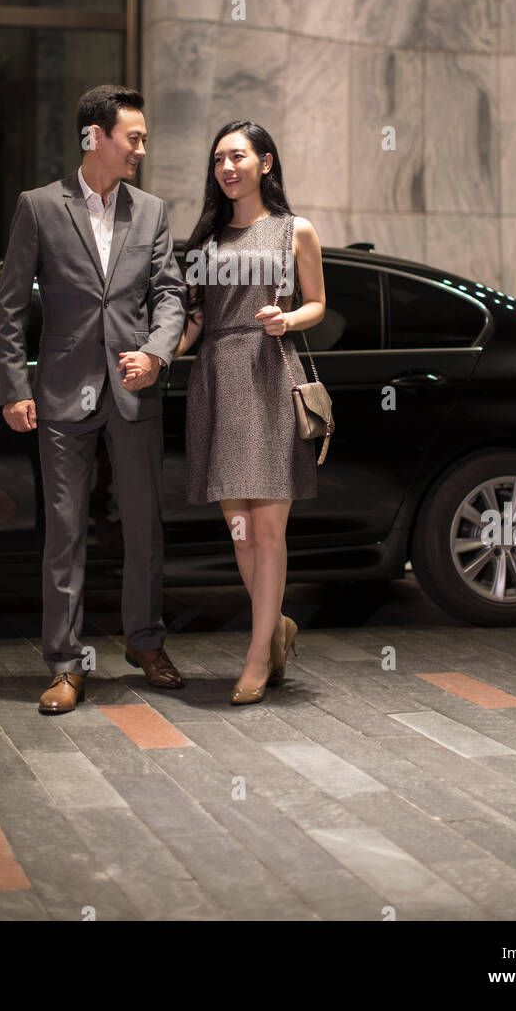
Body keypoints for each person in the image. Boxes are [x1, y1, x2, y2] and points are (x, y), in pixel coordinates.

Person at [0, 85, 187, 715]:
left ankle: (146, 642)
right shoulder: (39, 207)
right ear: (94, 137)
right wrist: (14, 388)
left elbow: (170, 296)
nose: (141, 149)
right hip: (59, 394)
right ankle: (65, 664)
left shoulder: (152, 212)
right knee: (66, 531)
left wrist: (156, 353)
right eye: (132, 137)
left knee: (143, 529)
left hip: (134, 390)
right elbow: (11, 307)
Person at [175, 121, 326, 704]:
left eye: (237, 156)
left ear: (265, 162)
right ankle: (279, 626)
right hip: (217, 378)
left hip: (268, 373)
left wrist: (288, 319)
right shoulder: (206, 242)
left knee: (268, 530)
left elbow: (317, 303)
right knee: (239, 534)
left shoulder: (295, 231)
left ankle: (257, 653)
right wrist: (160, 357)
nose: (226, 168)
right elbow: (194, 319)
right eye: (217, 160)